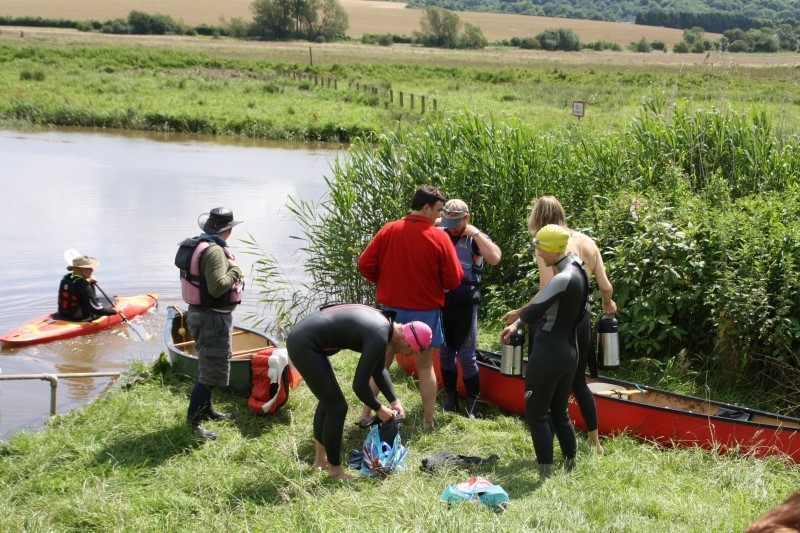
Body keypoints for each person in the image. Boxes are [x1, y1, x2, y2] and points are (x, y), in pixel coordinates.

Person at [502, 195, 617, 454]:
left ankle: (546, 434)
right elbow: (605, 286)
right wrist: (608, 304)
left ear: (540, 219)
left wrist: (520, 315)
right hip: (582, 318)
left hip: (555, 324)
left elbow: (546, 291)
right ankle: (595, 441)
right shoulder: (586, 241)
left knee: (547, 385)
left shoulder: (549, 247)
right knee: (578, 382)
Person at [357, 185, 463, 430]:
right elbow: (454, 279)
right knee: (425, 368)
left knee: (380, 365)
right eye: (437, 211)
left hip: (389, 313)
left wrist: (384, 281)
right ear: (426, 207)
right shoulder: (439, 236)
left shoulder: (389, 229)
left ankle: (365, 416)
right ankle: (428, 422)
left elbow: (364, 265)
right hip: (424, 313)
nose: (439, 217)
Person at [286, 303, 431, 480]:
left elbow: (378, 369)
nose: (407, 355)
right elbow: (359, 385)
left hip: (305, 337)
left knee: (328, 400)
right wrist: (379, 409)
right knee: (337, 407)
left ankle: (320, 462)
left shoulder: (386, 325)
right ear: (407, 340)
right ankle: (335, 471)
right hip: (304, 343)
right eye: (411, 351)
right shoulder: (379, 334)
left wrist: (395, 401)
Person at [500, 224, 589, 478]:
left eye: (540, 248)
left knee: (536, 414)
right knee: (559, 412)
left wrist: (517, 322)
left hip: (549, 354)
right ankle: (571, 466)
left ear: (551, 249)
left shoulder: (562, 278)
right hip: (569, 352)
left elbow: (533, 309)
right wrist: (519, 323)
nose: (538, 254)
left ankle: (545, 475)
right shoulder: (578, 268)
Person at [181, 207, 245, 440]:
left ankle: (206, 410)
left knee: (209, 366)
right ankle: (194, 425)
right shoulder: (215, 251)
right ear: (227, 230)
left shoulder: (199, 244)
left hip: (203, 315)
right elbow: (218, 286)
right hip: (211, 319)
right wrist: (236, 271)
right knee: (211, 374)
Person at [437, 199, 502, 417]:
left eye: (457, 222)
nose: (452, 226)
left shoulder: (475, 238)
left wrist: (475, 234)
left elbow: (494, 258)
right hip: (442, 302)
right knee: (445, 352)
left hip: (466, 303)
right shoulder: (440, 230)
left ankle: (473, 401)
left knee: (466, 355)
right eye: (448, 221)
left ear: (467, 218)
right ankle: (451, 397)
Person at [57, 254, 118, 321]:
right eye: (88, 268)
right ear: (78, 269)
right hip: (79, 317)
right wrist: (114, 311)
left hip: (63, 314)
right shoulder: (84, 284)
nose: (92, 270)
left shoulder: (66, 278)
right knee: (112, 301)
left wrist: (88, 280)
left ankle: (97, 303)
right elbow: (96, 310)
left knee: (101, 300)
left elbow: (77, 285)